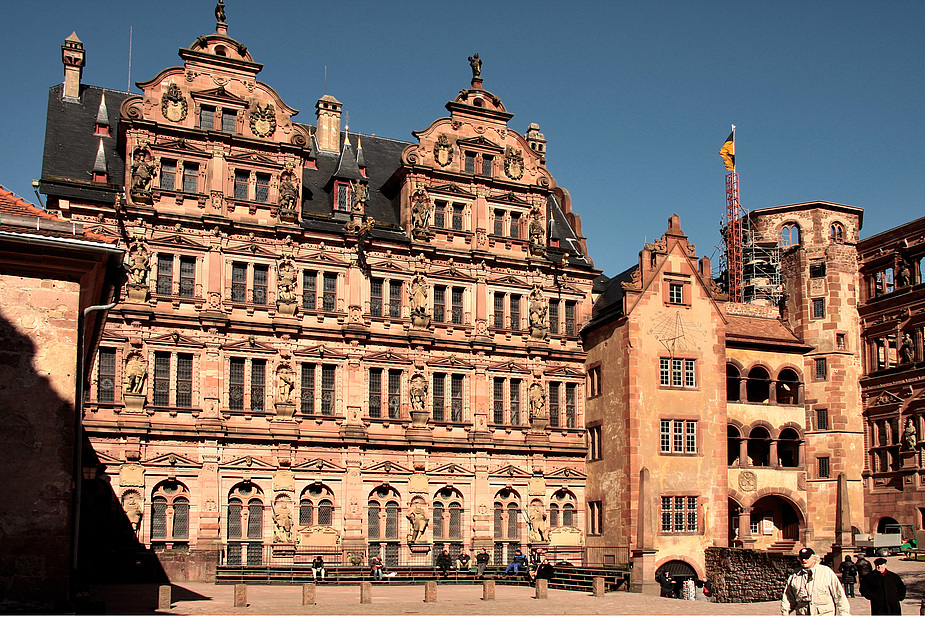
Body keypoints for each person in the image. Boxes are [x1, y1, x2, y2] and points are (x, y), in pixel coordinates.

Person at [780, 547, 849, 615]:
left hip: (824, 613)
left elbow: (839, 594)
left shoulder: (826, 572)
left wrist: (844, 613)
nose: (804, 560)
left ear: (814, 559)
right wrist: (785, 612)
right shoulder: (795, 576)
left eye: (807, 558)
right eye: (801, 558)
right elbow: (788, 597)